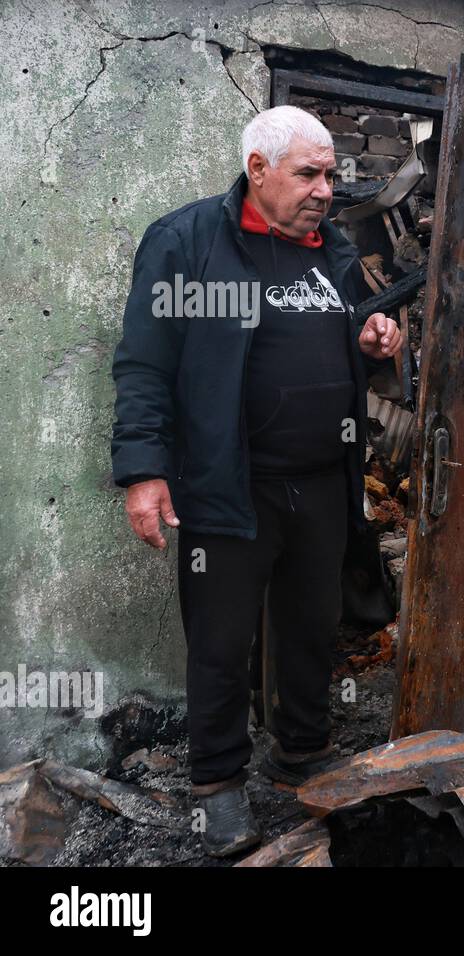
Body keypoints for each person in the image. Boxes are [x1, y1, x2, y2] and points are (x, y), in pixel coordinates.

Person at [110, 105, 405, 857]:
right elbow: (144, 364)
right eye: (309, 174)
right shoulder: (187, 242)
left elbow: (340, 342)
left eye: (330, 175)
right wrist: (143, 471)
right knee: (221, 641)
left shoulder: (332, 250)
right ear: (258, 169)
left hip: (322, 479)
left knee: (310, 626)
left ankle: (300, 751)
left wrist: (373, 343)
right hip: (228, 484)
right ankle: (217, 785)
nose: (325, 190)